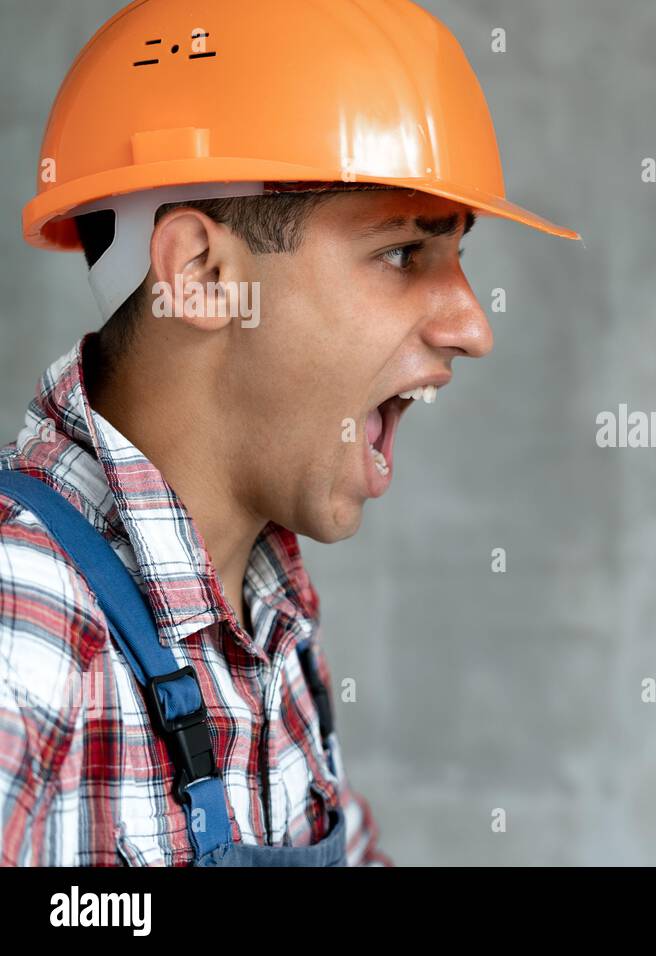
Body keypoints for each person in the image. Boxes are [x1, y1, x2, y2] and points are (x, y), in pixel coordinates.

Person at [0, 0, 580, 866]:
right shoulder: (25, 629)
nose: (472, 324)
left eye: (461, 257)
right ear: (200, 274)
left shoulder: (266, 622)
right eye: (403, 253)